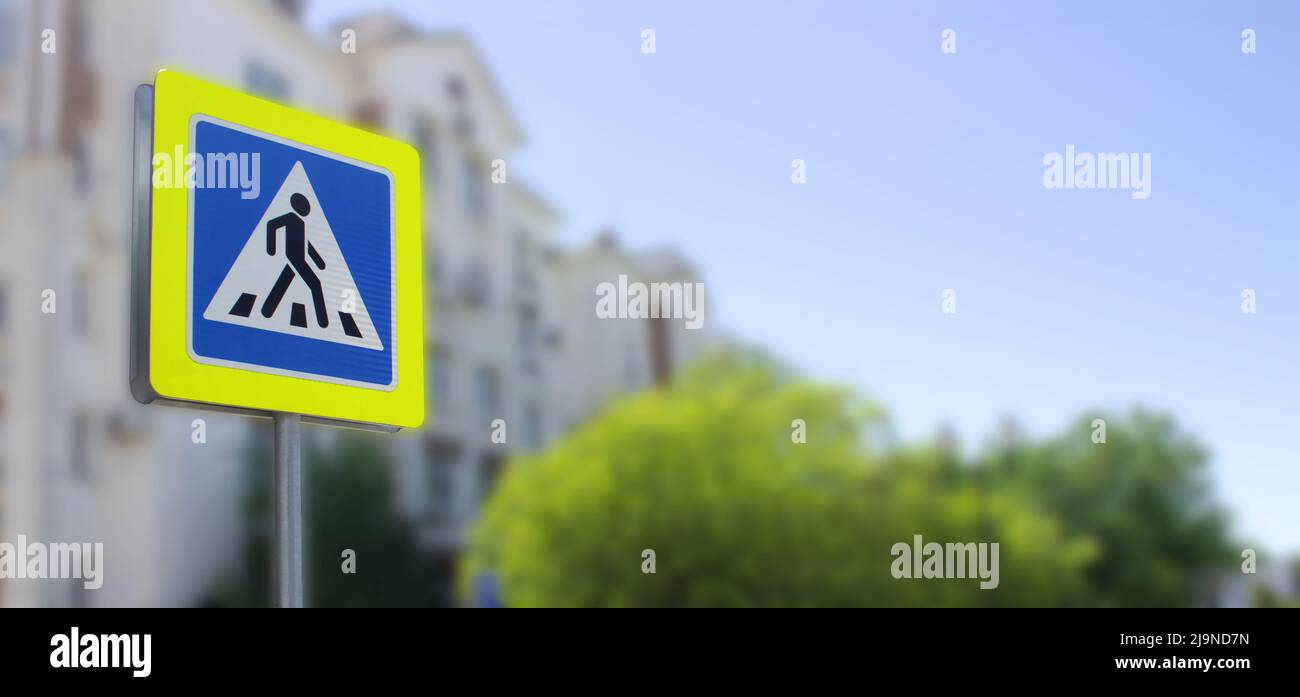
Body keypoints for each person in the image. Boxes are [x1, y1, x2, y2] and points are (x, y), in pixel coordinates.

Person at [260, 193, 329, 328]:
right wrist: (271, 249)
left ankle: (266, 311)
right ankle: (323, 322)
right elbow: (272, 225)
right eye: (302, 206)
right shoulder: (290, 217)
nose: (304, 210)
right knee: (315, 284)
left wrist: (320, 263)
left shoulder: (301, 223)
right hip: (294, 257)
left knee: (283, 283)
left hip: (297, 258)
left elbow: (307, 245)